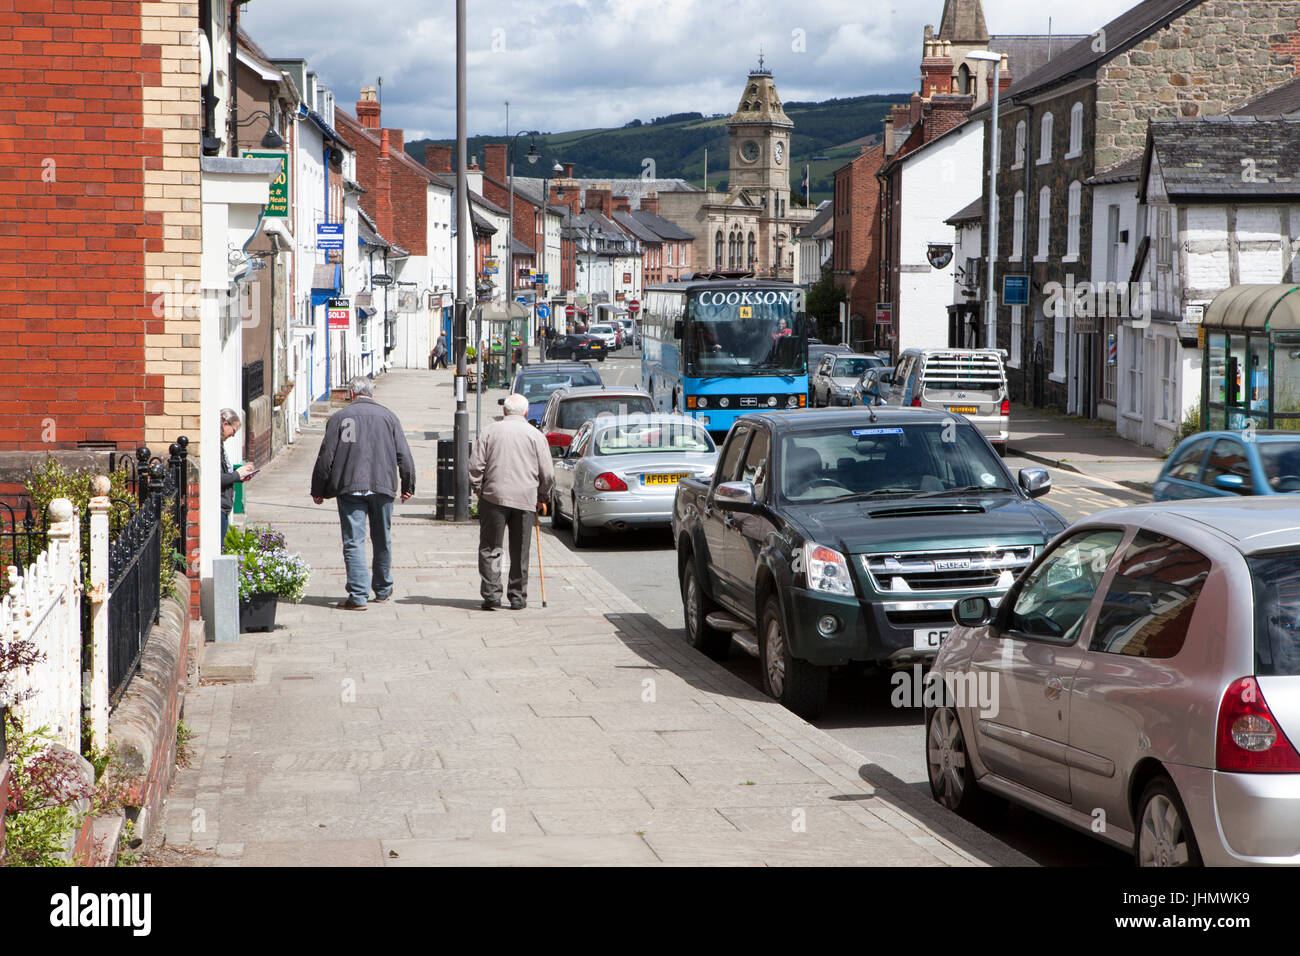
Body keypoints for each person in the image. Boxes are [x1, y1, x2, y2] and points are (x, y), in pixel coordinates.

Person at [310, 376, 415, 610]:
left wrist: (319, 490)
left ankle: (358, 596)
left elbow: (326, 456)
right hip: (383, 486)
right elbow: (404, 456)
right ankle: (383, 589)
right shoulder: (389, 417)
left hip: (349, 487)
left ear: (351, 393)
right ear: (372, 393)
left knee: (354, 541)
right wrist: (408, 486)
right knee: (382, 539)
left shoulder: (339, 418)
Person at [468, 392, 554, 611]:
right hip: (525, 499)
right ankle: (517, 596)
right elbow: (548, 474)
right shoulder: (535, 436)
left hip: (493, 497)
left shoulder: (489, 431)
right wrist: (541, 496)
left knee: (492, 548)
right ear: (525, 412)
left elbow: (475, 467)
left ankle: (492, 594)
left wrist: (480, 490)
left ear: (504, 411)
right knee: (519, 549)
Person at [219, 408, 254, 549]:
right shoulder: (214, 447)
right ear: (225, 424)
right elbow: (216, 478)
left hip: (224, 507)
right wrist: (237, 474)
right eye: (234, 430)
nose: (233, 435)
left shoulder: (219, 445)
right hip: (219, 507)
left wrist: (239, 476)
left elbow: (224, 473)